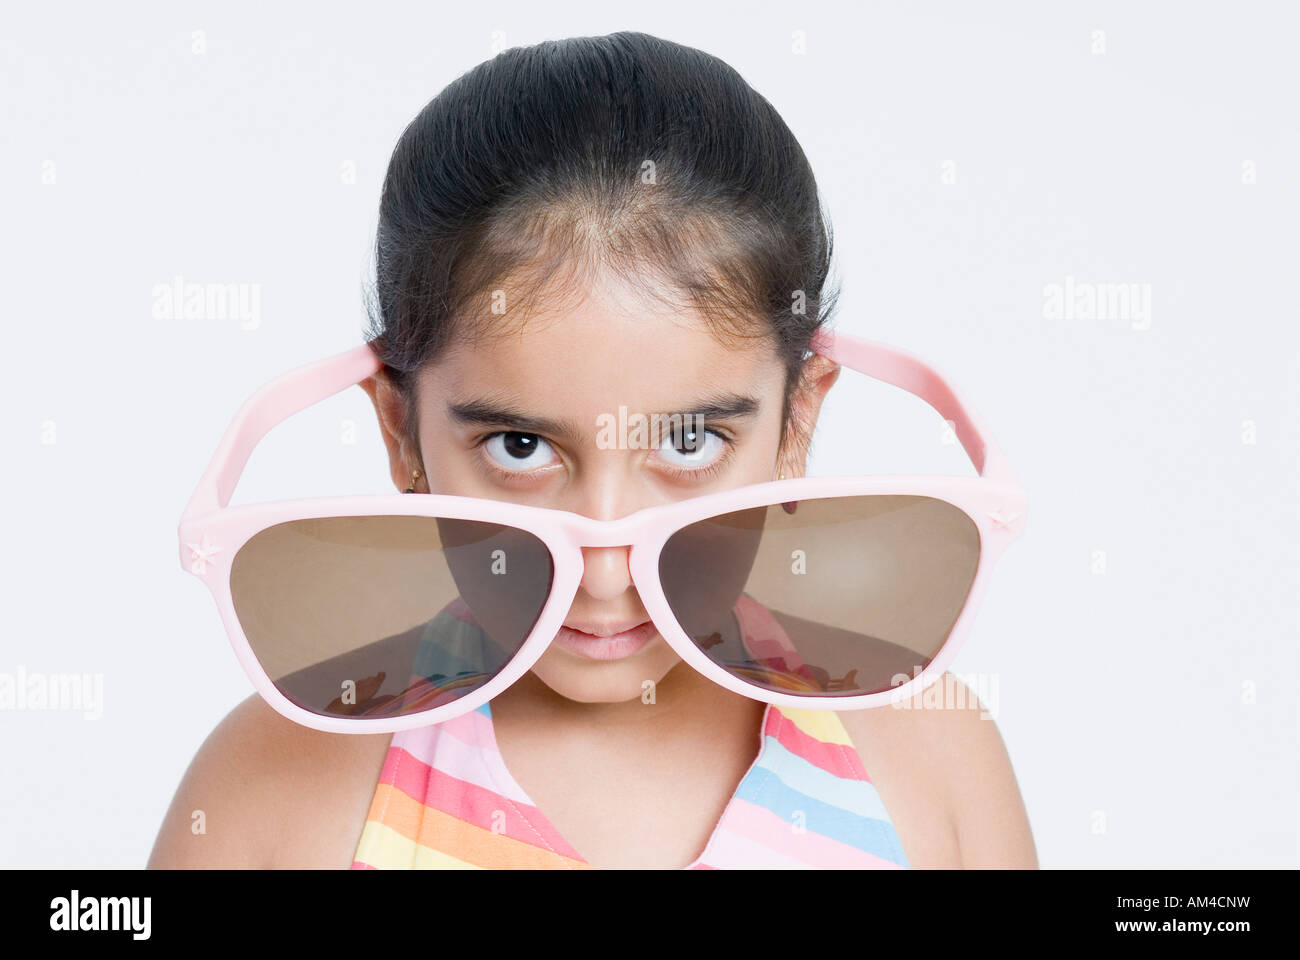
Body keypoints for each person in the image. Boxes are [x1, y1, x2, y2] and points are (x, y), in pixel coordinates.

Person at [148, 30, 1035, 870]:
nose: (605, 571)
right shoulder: (276, 789)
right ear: (400, 431)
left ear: (797, 421)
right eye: (521, 445)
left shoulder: (926, 754)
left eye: (690, 439)